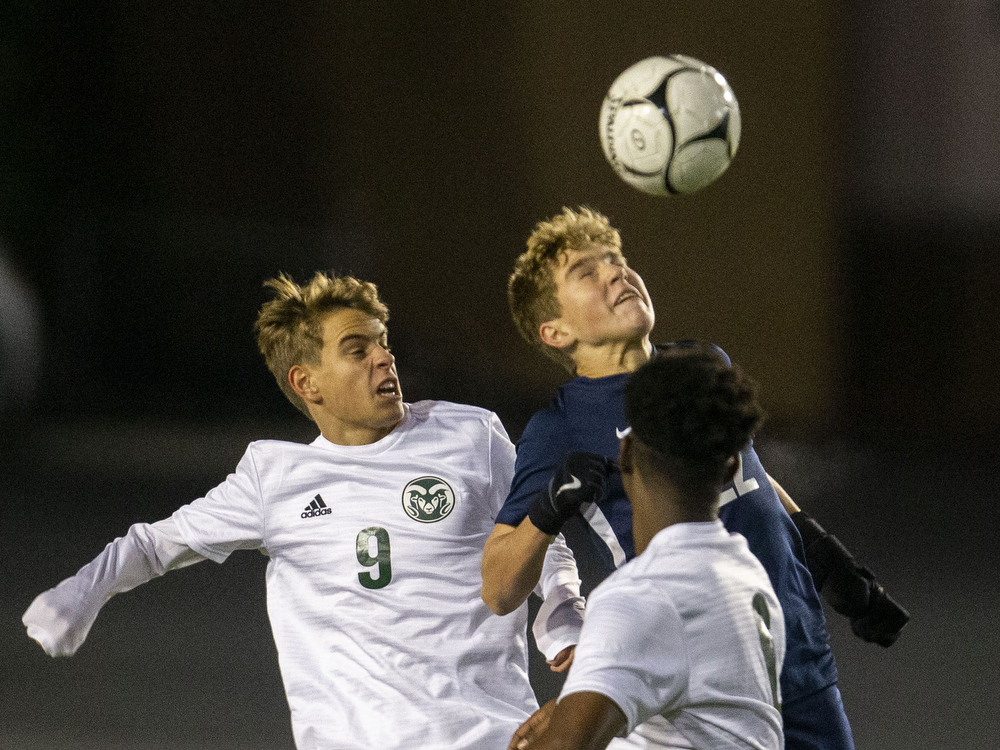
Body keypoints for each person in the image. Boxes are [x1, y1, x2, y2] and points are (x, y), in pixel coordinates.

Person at [23, 272, 585, 750]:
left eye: (383, 342)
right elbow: (152, 545)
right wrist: (81, 592)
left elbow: (538, 529)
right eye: (357, 349)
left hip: (488, 735)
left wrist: (560, 607)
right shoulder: (275, 478)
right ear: (306, 381)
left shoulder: (470, 433)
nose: (384, 357)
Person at [482, 207, 907, 750]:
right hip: (695, 673)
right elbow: (498, 588)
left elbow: (748, 476)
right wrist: (547, 511)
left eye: (618, 260)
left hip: (793, 648)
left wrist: (828, 559)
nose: (617, 273)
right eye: (587, 273)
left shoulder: (700, 364)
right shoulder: (560, 428)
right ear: (556, 330)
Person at [509, 346, 784, 750]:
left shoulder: (641, 597)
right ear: (730, 466)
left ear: (625, 453)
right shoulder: (747, 571)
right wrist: (592, 699)